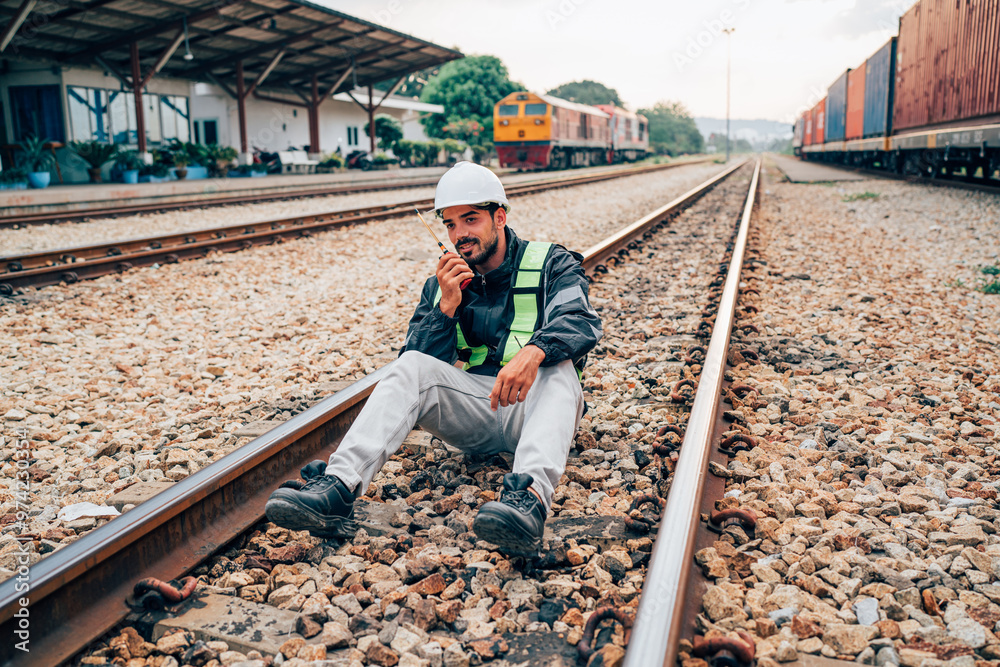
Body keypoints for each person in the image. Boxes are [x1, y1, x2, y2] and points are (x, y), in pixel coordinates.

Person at [265, 161, 602, 555]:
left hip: (538, 409)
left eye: (471, 219)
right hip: (478, 411)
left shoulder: (551, 263)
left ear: (499, 217)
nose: (460, 235)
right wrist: (446, 307)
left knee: (559, 368)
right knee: (409, 365)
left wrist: (534, 351)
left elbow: (581, 321)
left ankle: (528, 501)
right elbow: (414, 371)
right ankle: (338, 487)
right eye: (450, 224)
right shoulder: (441, 285)